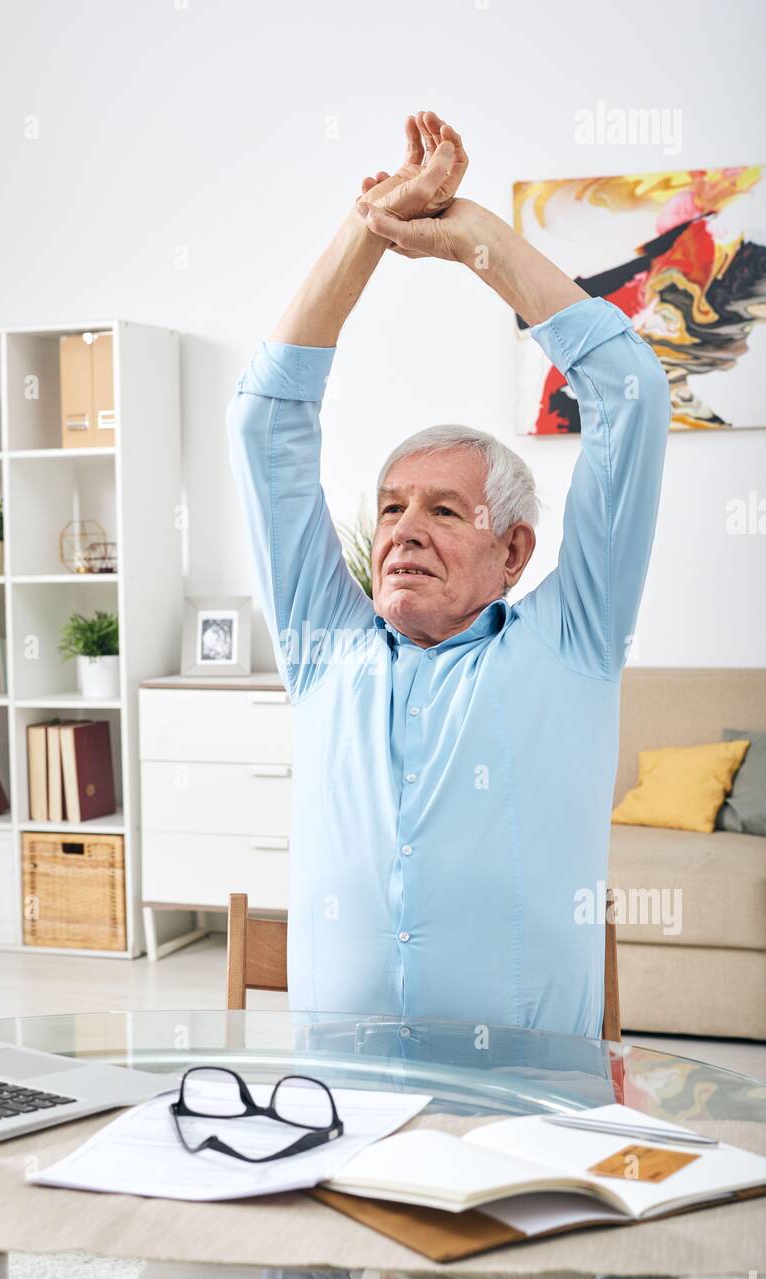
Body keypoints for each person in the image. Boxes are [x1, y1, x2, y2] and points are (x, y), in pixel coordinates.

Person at [226, 111, 670, 1043]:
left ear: (512, 552)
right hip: (332, 1116)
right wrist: (367, 229)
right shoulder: (325, 647)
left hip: (525, 1123)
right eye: (389, 508)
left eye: (441, 510)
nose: (402, 533)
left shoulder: (572, 641)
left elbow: (629, 392)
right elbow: (264, 425)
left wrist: (473, 237)